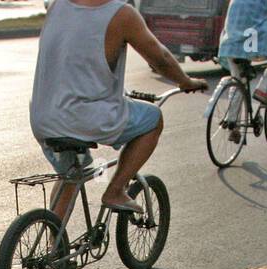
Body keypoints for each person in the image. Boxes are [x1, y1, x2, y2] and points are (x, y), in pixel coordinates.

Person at [29, 0, 207, 221]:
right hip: (83, 117)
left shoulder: (57, 4)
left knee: (72, 174)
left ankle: (52, 248)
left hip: (44, 116)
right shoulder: (122, 14)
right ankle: (115, 190)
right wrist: (185, 81)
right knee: (153, 118)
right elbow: (160, 58)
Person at [217, 0, 267, 109]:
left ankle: (231, 120)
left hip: (230, 45)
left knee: (238, 81)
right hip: (255, 45)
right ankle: (264, 89)